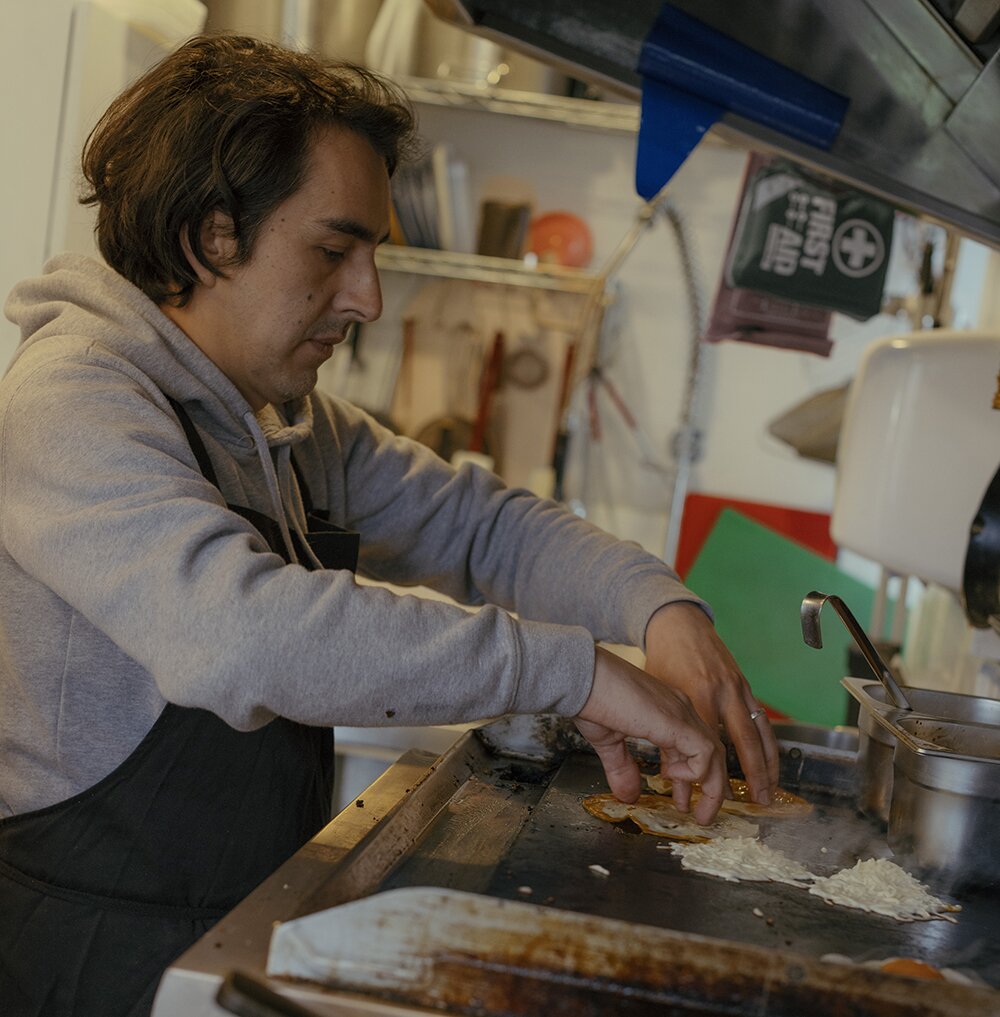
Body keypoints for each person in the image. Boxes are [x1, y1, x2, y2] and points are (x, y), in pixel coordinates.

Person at [0, 33, 778, 1017]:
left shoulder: (282, 419)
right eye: (333, 251)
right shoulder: (73, 398)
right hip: (89, 955)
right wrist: (573, 670)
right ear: (211, 237)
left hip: (231, 922)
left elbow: (480, 528)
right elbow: (240, 635)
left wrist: (659, 609)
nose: (366, 297)